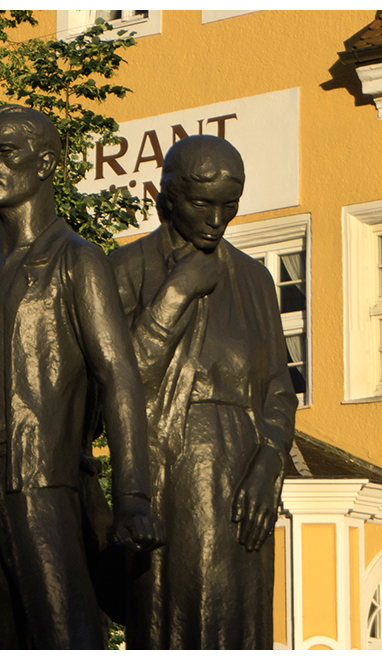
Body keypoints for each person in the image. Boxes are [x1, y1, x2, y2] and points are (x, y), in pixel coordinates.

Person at [0, 105, 163, 649]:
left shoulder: (77, 260)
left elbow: (119, 377)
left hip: (41, 479)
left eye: (6, 152)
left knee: (64, 634)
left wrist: (133, 495)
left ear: (45, 163)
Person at [110, 134, 297, 649]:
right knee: (171, 619)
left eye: (229, 207)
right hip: (164, 467)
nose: (217, 221)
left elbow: (279, 390)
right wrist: (176, 293)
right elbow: (120, 379)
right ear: (165, 197)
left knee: (239, 622)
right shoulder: (123, 269)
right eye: (202, 205)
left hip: (242, 473)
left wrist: (268, 464)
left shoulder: (256, 281)